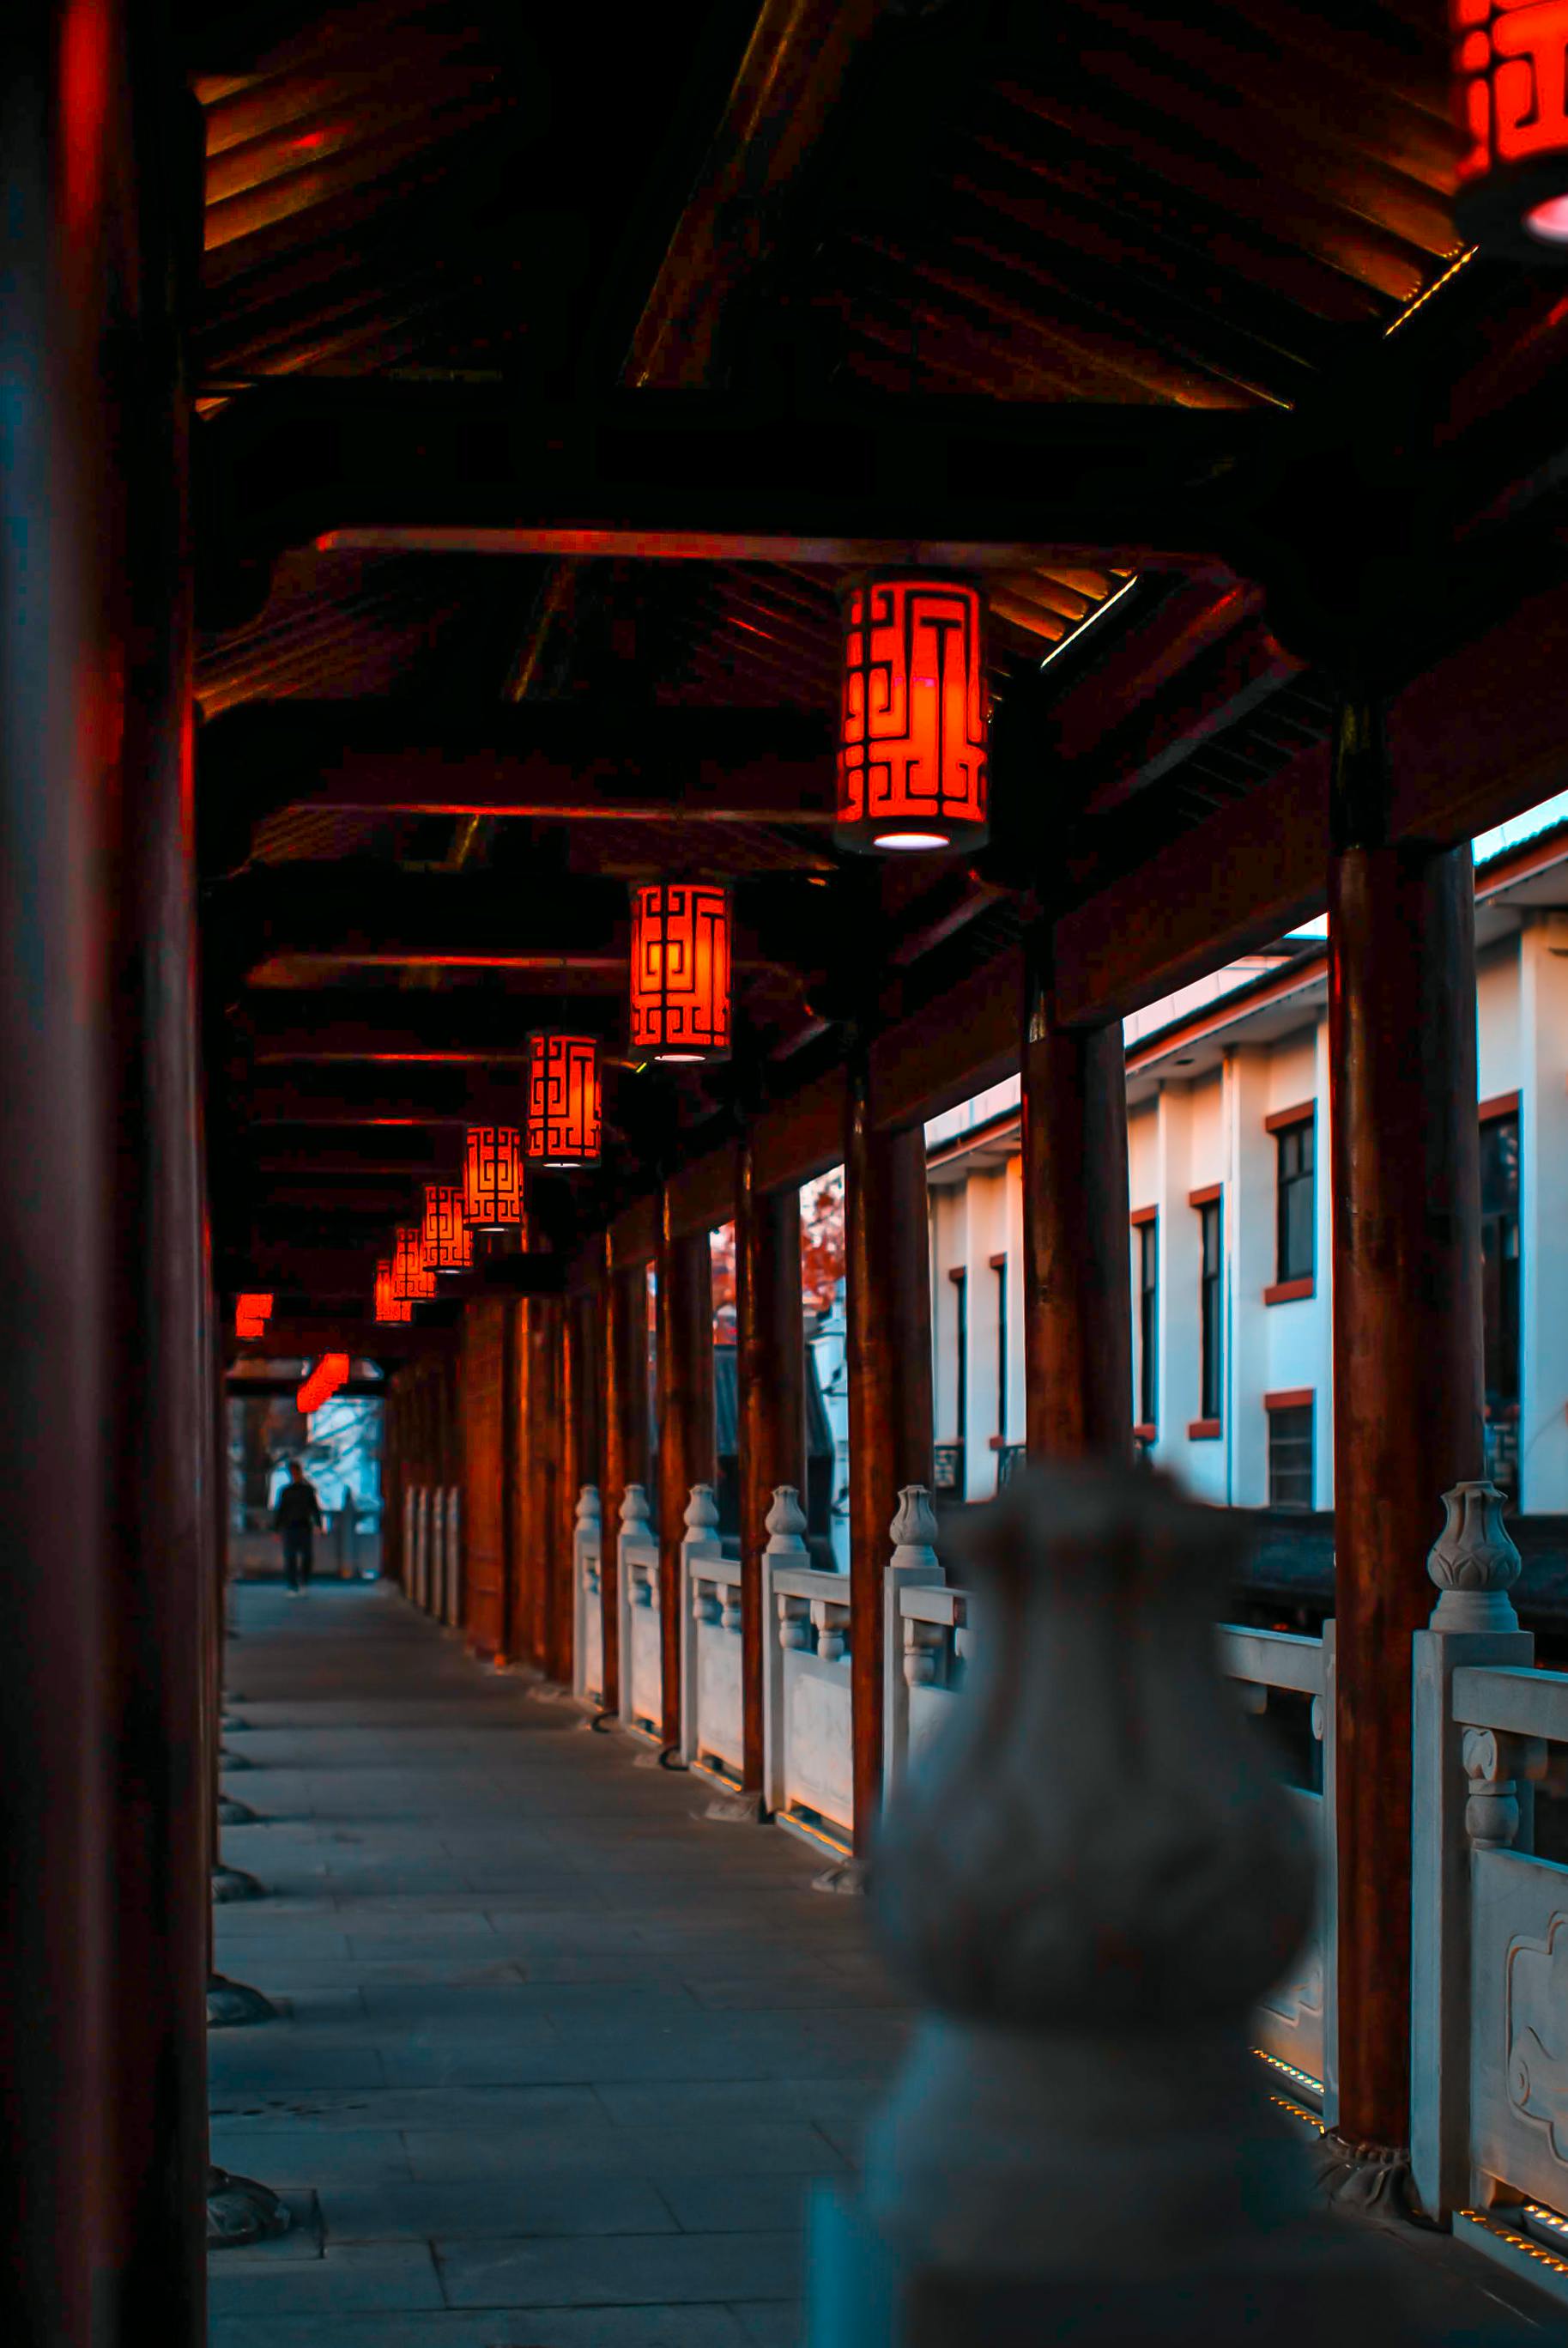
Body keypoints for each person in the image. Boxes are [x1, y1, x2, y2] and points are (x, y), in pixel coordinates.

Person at [275, 1459, 325, 1595]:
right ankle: (293, 1585)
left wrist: (319, 1525)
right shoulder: (287, 1491)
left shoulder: (307, 1490)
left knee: (306, 1556)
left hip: (303, 1526)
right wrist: (277, 1529)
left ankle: (303, 1582)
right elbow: (281, 1511)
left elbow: (315, 1509)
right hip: (291, 1526)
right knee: (291, 1557)